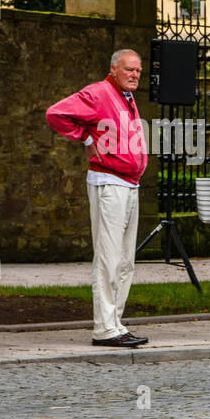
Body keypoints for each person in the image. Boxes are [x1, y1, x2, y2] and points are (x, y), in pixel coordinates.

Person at [46, 48, 149, 348]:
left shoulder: (125, 97)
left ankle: (115, 323)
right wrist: (87, 138)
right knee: (108, 257)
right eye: (129, 69)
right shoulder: (98, 93)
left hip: (129, 184)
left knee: (125, 259)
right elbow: (56, 114)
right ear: (114, 69)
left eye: (138, 71)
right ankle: (104, 328)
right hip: (110, 183)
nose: (134, 75)